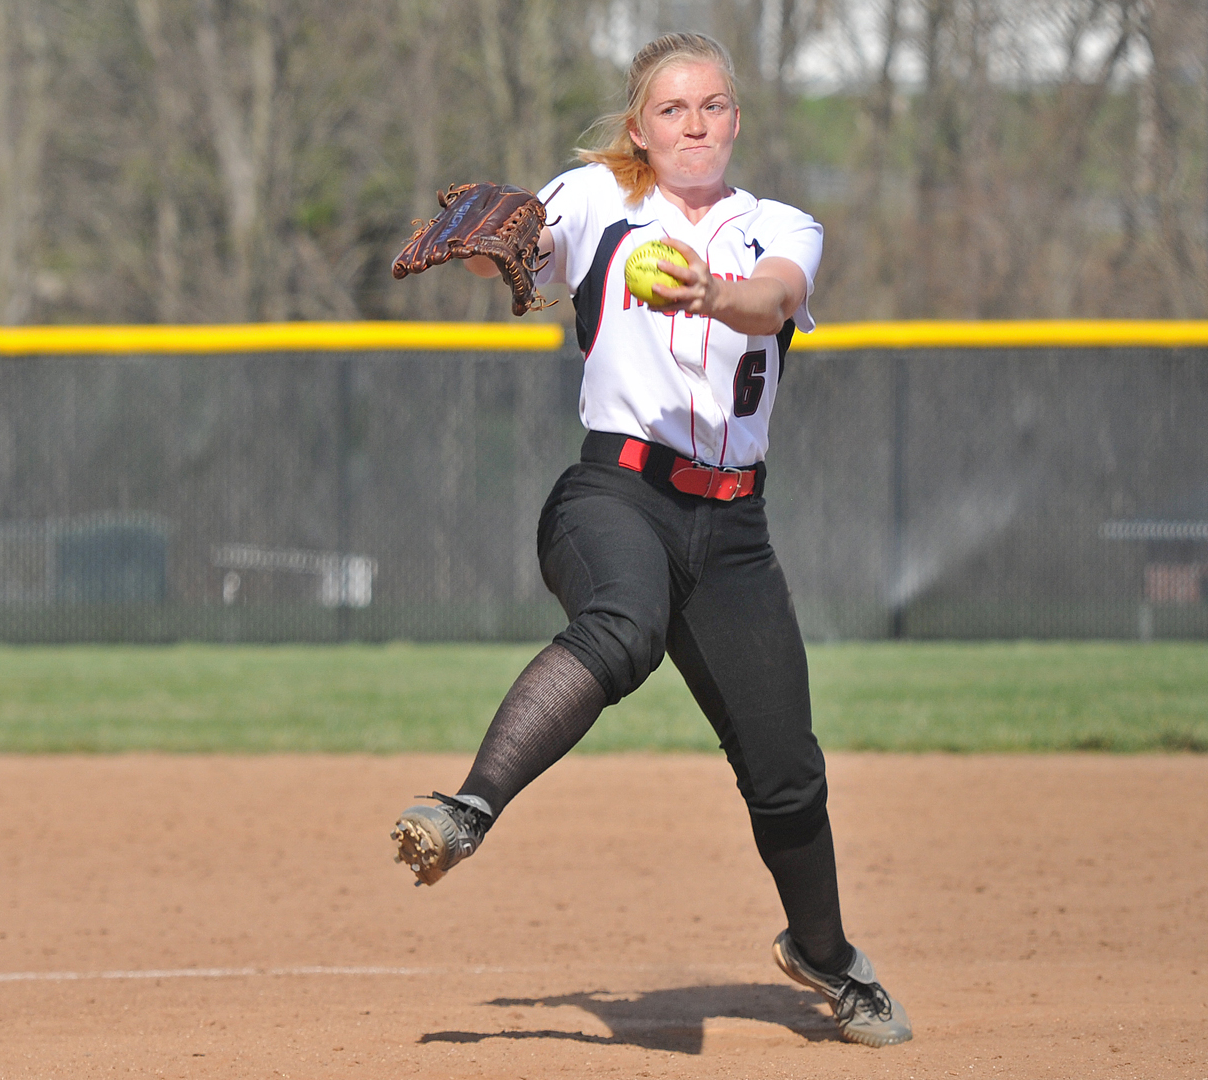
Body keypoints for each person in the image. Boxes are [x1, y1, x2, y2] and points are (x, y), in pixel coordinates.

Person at [389, 31, 911, 1048]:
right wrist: (519, 249)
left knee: (787, 773)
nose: (696, 125)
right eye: (673, 110)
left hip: (734, 530)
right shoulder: (597, 199)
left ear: (738, 118)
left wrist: (713, 295)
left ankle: (826, 954)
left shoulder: (781, 228)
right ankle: (466, 809)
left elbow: (780, 302)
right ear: (641, 128)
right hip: (612, 496)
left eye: (713, 105)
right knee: (622, 625)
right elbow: (538, 245)